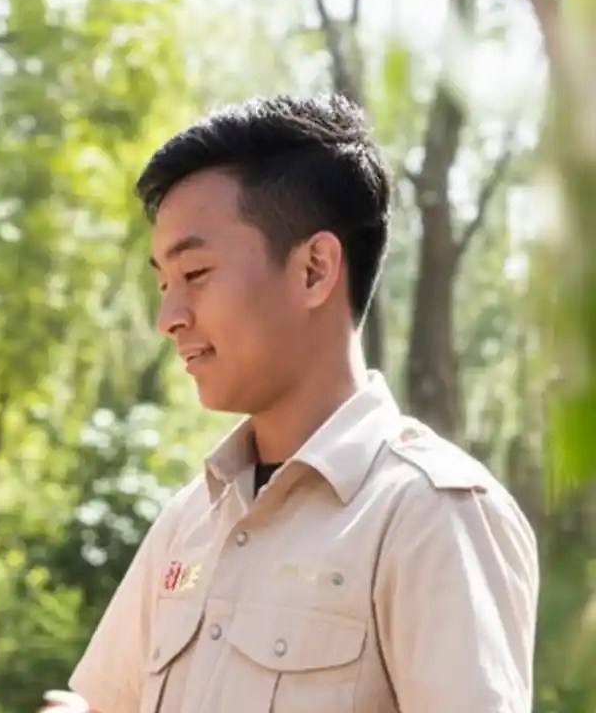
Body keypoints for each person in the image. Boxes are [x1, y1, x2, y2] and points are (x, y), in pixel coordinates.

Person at [40, 94, 539, 712]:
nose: (168, 317)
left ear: (314, 270)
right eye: (163, 283)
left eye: (195, 274)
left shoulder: (432, 517)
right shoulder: (191, 519)